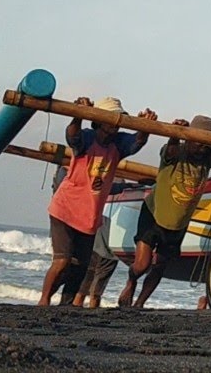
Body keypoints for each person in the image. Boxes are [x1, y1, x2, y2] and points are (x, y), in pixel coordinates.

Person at [38, 96, 153, 306]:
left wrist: (145, 126)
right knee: (62, 261)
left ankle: (66, 306)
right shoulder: (88, 138)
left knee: (80, 267)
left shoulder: (117, 145)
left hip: (89, 216)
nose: (115, 126)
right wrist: (78, 115)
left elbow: (137, 142)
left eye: (118, 121)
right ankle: (44, 301)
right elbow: (72, 136)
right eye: (110, 119)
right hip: (66, 209)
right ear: (98, 120)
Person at [118, 115, 211, 308]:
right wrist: (175, 135)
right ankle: (131, 282)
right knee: (142, 265)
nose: (201, 148)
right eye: (198, 144)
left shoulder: (207, 158)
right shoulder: (176, 152)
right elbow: (171, 150)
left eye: (206, 145)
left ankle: (139, 304)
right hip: (154, 214)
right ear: (189, 139)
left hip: (178, 224)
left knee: (160, 266)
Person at [71, 214, 120, 308]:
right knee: (96, 290)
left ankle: (75, 308)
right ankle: (92, 311)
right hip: (109, 249)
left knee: (84, 285)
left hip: (93, 243)